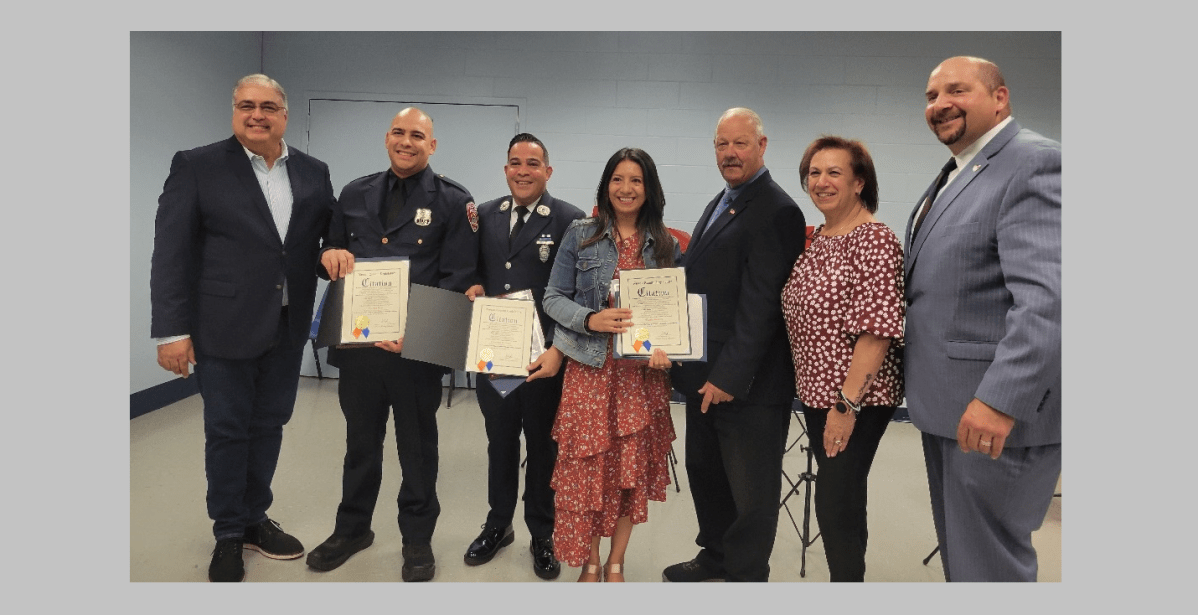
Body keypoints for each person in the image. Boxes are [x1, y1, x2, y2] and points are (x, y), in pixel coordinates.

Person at [150, 74, 335, 582]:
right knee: (228, 430)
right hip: (221, 327)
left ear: (285, 115)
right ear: (234, 111)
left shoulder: (314, 172)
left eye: (269, 106)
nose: (258, 114)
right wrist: (171, 332)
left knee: (269, 425)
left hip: (286, 325)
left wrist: (333, 253)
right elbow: (171, 253)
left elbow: (317, 244)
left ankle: (255, 518)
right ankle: (229, 533)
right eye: (247, 106)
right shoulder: (197, 165)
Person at [306, 107, 480, 582]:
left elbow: (458, 279)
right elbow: (331, 255)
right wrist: (330, 254)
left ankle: (417, 539)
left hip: (414, 351)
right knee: (360, 443)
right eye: (399, 133)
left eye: (418, 135)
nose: (407, 142)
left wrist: (421, 334)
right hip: (360, 346)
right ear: (387, 138)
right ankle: (352, 529)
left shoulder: (452, 200)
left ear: (432, 145)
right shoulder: (355, 192)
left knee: (417, 448)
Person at [904, 56, 1061, 582]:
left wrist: (999, 400)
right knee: (967, 565)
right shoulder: (961, 170)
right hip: (950, 406)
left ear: (1000, 99)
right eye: (931, 96)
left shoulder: (1032, 162)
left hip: (994, 417)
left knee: (990, 571)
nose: (940, 104)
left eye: (956, 90)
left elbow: (1048, 301)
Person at [664, 108, 806, 583]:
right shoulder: (725, 200)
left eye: (740, 143)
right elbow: (700, 276)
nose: (730, 153)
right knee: (707, 473)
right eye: (722, 145)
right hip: (704, 375)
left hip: (748, 385)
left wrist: (727, 376)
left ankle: (746, 576)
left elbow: (762, 304)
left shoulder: (777, 209)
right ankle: (716, 556)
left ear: (762, 147)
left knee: (750, 490)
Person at [541, 147, 680, 582]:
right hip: (590, 371)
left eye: (636, 180)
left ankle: (616, 561)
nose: (626, 188)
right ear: (606, 186)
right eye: (618, 179)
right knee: (589, 474)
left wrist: (666, 349)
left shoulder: (666, 242)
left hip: (640, 377)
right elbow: (552, 298)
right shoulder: (580, 233)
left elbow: (672, 313)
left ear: (649, 188)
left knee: (627, 474)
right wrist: (590, 319)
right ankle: (591, 560)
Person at [780, 136, 905, 582]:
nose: (821, 181)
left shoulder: (874, 239)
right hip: (817, 394)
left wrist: (846, 406)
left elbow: (876, 332)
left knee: (833, 505)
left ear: (859, 182)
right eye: (814, 172)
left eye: (834, 172)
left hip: (856, 398)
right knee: (846, 499)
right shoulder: (818, 239)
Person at [461, 133, 584, 579]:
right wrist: (472, 284)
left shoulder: (571, 220)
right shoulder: (485, 215)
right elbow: (471, 267)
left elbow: (573, 291)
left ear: (547, 172)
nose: (523, 171)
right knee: (499, 443)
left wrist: (558, 350)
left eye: (533, 163)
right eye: (515, 163)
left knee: (542, 446)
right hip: (494, 353)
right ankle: (498, 524)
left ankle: (541, 532)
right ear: (506, 168)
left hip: (544, 360)